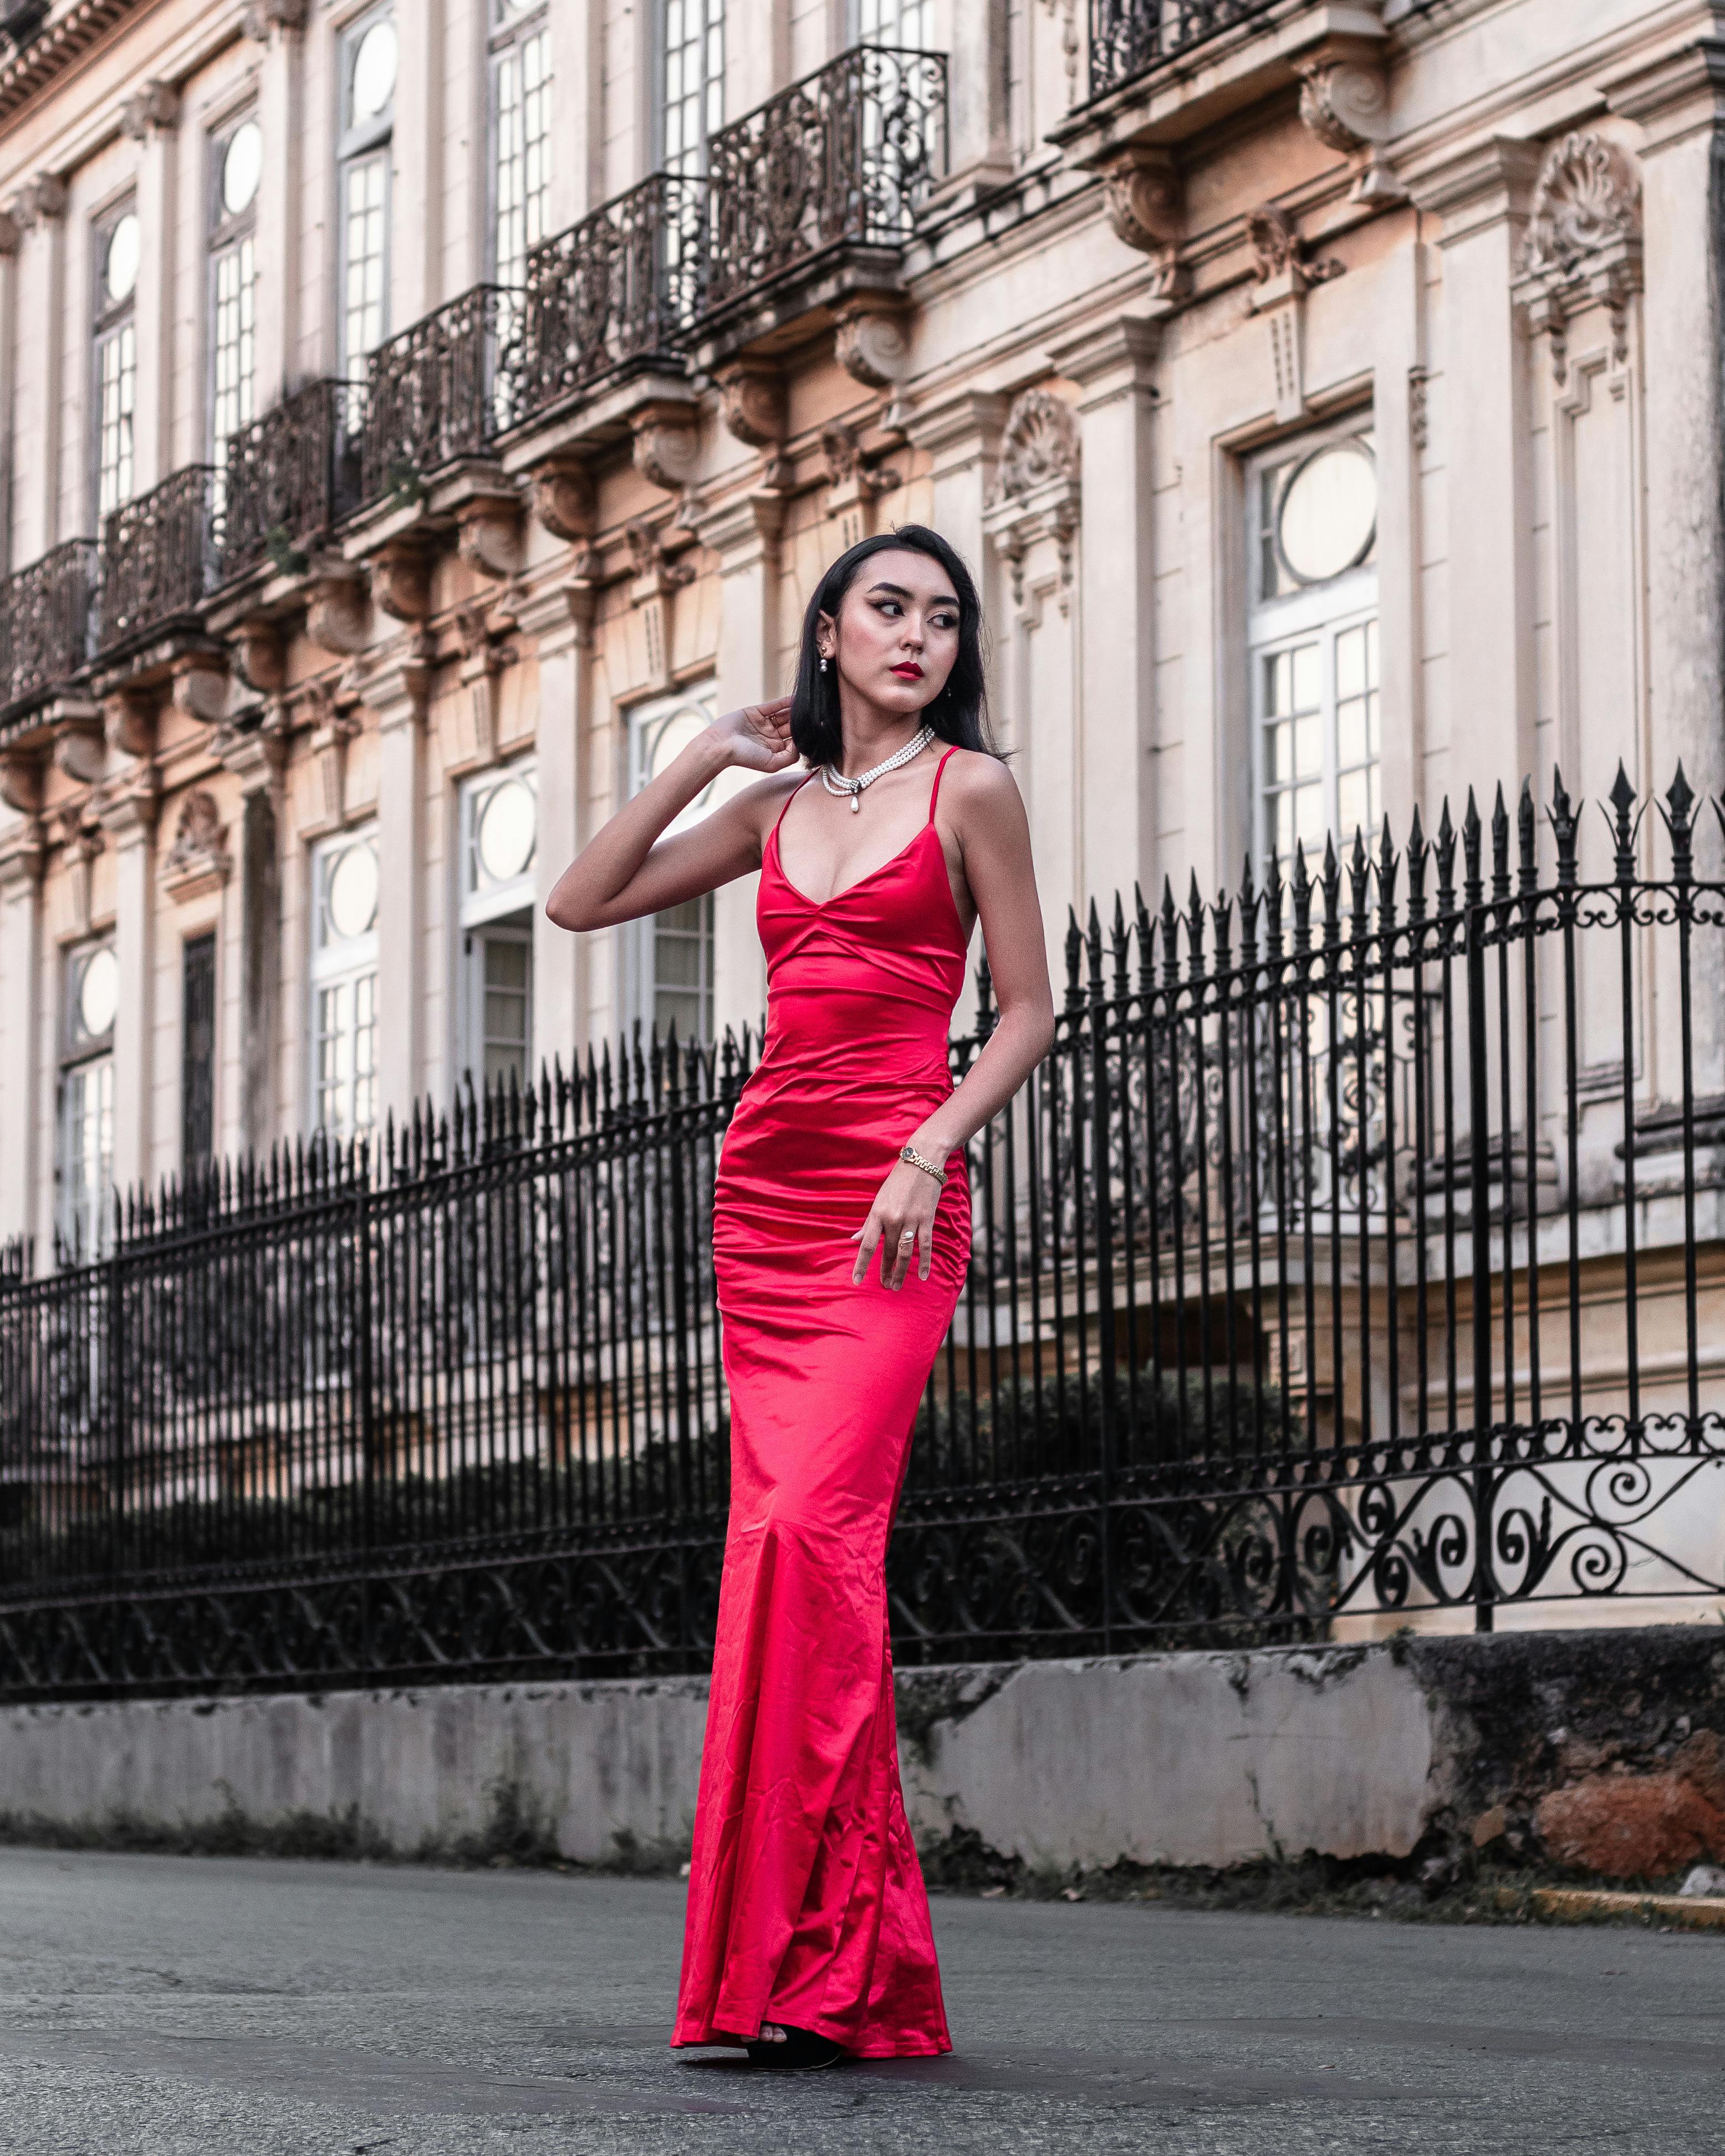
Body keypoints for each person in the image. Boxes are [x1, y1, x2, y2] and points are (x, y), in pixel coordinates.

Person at [545, 525, 1055, 2070]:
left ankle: (832, 1967)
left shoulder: (971, 790)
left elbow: (1028, 1009)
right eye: (888, 608)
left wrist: (930, 1148)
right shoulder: (774, 806)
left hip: (894, 1199)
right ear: (829, 631)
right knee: (773, 1553)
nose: (918, 637)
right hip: (766, 1196)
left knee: (816, 1536)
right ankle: (801, 1968)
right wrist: (705, 751)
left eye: (944, 619)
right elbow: (579, 900)